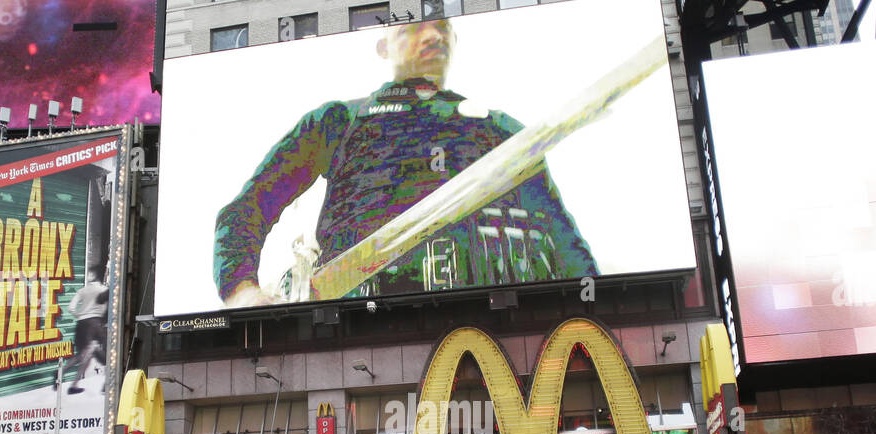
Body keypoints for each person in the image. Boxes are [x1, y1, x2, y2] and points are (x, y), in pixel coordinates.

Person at [214, 18, 597, 307]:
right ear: (384, 47)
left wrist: (596, 310)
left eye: (444, 29)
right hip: (363, 324)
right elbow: (247, 209)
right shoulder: (338, 122)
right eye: (414, 29)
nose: (434, 37)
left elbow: (563, 241)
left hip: (495, 319)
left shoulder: (501, 131)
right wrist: (241, 291)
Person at [57, 280, 109, 395]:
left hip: (81, 324)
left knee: (83, 354)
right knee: (108, 354)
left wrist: (80, 316)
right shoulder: (103, 290)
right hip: (95, 323)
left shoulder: (82, 290)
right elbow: (106, 309)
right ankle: (106, 385)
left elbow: (71, 308)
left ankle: (64, 376)